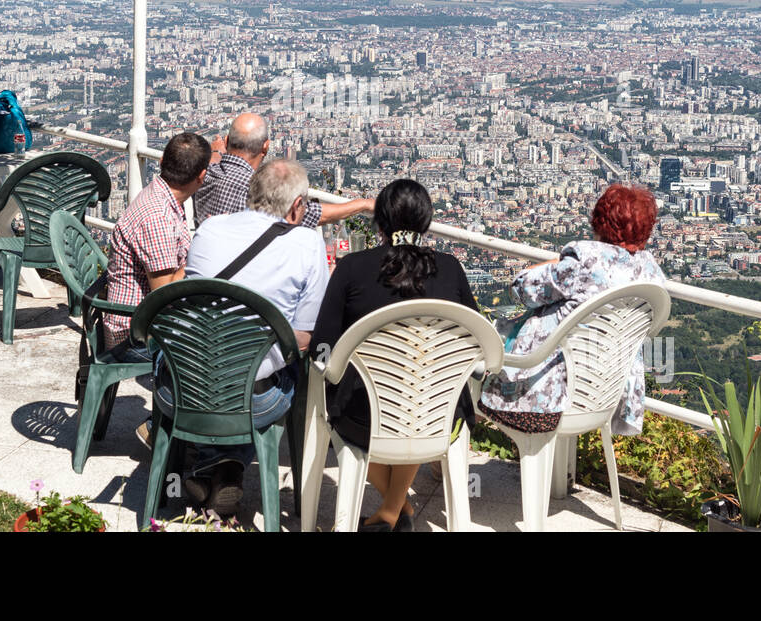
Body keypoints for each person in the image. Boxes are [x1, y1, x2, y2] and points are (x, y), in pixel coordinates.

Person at [308, 178, 479, 531]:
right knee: (412, 398)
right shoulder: (451, 268)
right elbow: (476, 340)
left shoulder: (352, 268)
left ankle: (392, 511)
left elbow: (322, 346)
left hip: (363, 417)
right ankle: (395, 510)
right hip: (438, 413)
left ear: (380, 221)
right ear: (426, 220)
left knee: (336, 402)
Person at [169, 158, 329, 514]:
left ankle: (210, 465)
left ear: (251, 192)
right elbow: (303, 339)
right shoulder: (308, 245)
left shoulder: (209, 228)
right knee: (277, 371)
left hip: (187, 381)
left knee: (224, 363)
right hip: (253, 399)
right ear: (297, 206)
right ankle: (227, 467)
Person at [479, 183, 667, 437]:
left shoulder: (583, 262)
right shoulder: (653, 275)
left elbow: (520, 290)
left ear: (600, 222)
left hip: (545, 400)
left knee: (472, 368)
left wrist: (555, 264)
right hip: (605, 395)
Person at [101, 132, 211, 360]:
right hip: (135, 337)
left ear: (161, 162)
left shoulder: (160, 196)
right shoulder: (157, 218)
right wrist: (204, 247)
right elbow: (164, 294)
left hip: (143, 321)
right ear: (201, 177)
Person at [195, 112, 373, 227]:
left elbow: (215, 160)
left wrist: (217, 150)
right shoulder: (257, 191)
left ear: (227, 141)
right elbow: (317, 214)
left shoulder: (204, 173)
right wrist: (362, 204)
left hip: (207, 275)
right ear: (266, 147)